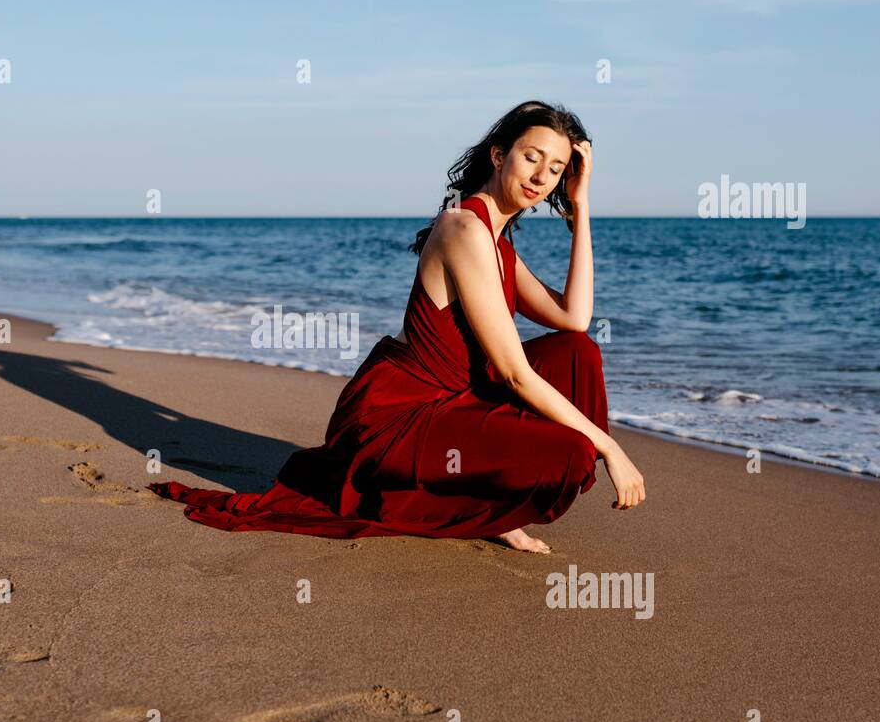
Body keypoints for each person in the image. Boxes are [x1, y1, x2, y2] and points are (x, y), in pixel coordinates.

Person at [149, 100, 645, 552]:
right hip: (395, 418)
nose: (542, 176)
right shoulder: (464, 228)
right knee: (575, 453)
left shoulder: (497, 240)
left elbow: (573, 318)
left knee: (578, 351)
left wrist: (581, 207)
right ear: (499, 155)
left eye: (556, 168)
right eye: (533, 156)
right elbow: (515, 374)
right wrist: (610, 445)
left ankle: (484, 506)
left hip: (454, 405)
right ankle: (481, 510)